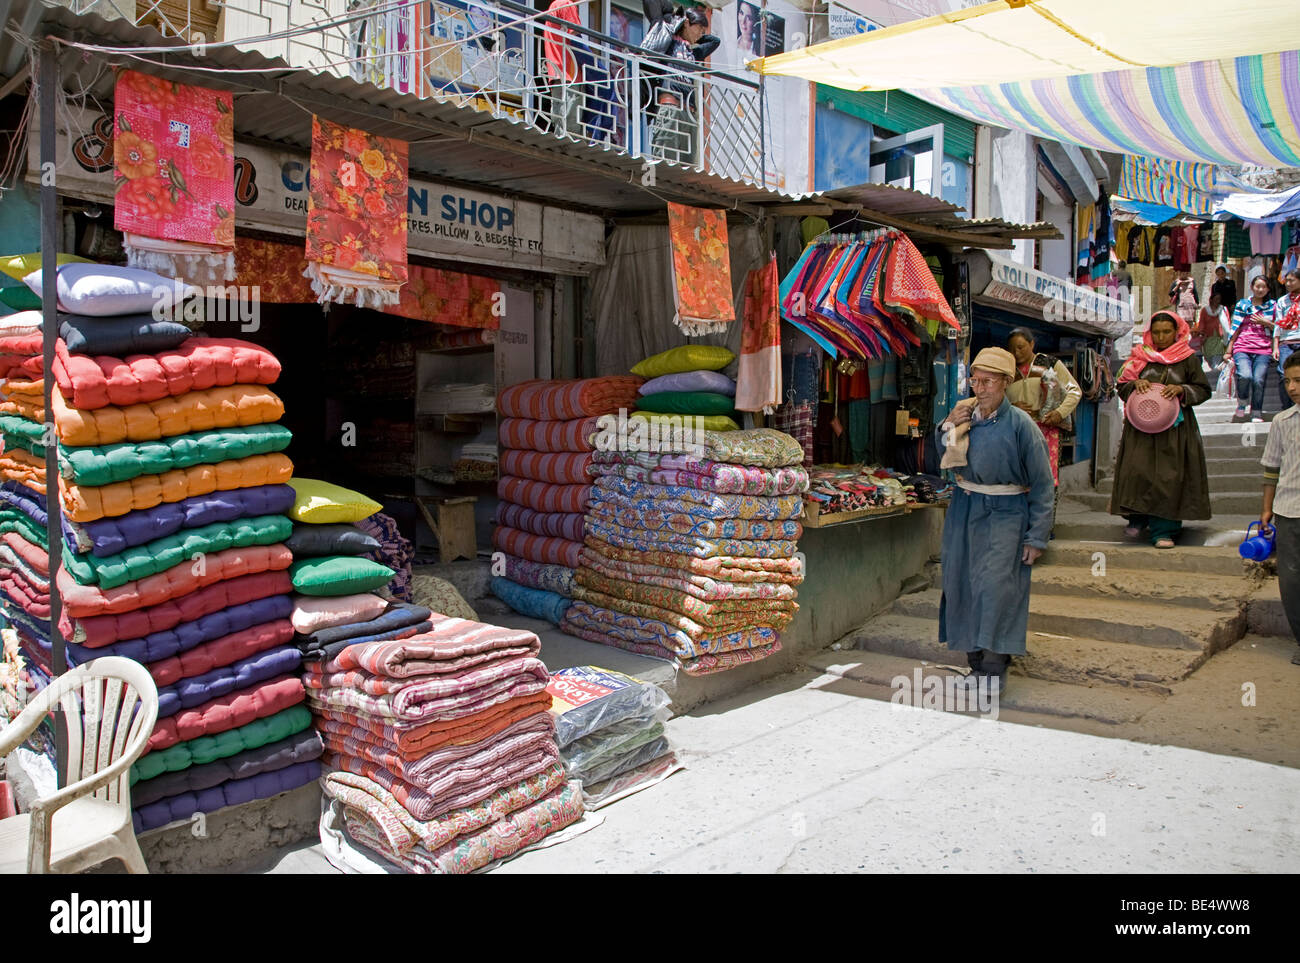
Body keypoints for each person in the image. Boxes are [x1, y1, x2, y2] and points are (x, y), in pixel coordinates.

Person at [936, 347, 1054, 695]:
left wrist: (1036, 537)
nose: (980, 388)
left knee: (996, 588)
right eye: (975, 380)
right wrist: (948, 425)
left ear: (1006, 383)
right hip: (965, 508)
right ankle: (975, 664)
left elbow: (1044, 485)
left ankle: (993, 668)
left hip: (1005, 514)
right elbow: (937, 457)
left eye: (988, 381)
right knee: (962, 584)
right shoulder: (964, 416)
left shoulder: (1022, 426)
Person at [1110, 311, 1212, 549]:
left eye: (1167, 332)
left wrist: (1182, 389)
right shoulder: (1140, 357)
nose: (1161, 337)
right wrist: (1135, 384)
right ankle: (1138, 518)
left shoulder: (1188, 359)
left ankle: (1164, 530)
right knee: (1138, 471)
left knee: (1169, 477)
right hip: (1141, 429)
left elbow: (1203, 390)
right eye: (1156, 332)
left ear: (1177, 332)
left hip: (1175, 431)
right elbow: (1122, 385)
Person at [1005, 327, 1082, 530]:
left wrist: (1060, 412)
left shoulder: (1049, 364)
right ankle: (1021, 526)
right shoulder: (1007, 368)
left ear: (1032, 344)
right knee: (1018, 477)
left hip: (1045, 429)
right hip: (1014, 429)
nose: (1016, 353)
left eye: (1021, 347)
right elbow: (994, 396)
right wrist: (1010, 407)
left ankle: (1045, 528)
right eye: (1012, 348)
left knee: (1046, 478)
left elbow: (1074, 391)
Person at [1260, 352, 1300, 665]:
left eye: (1298, 380)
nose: (1292, 387)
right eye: (1287, 381)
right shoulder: (1281, 422)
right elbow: (1271, 468)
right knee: (1290, 581)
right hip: (1289, 510)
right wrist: (1266, 509)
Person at [647, 9, 719, 165]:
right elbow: (657, 17)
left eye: (703, 32)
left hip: (689, 113)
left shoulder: (692, 52)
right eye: (699, 29)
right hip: (671, 106)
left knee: (688, 168)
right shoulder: (669, 41)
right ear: (687, 23)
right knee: (664, 162)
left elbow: (715, 42)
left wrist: (696, 35)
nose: (700, 35)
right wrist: (680, 22)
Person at [1227, 275, 1277, 422]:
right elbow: (1235, 327)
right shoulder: (1242, 305)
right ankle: (1242, 401)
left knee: (1258, 380)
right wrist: (1229, 350)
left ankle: (1256, 412)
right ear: (1252, 287)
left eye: (1263, 287)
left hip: (1263, 349)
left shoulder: (1272, 306)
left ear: (1268, 289)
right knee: (1245, 375)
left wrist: (1265, 322)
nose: (1260, 289)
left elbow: (1279, 328)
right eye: (1257, 286)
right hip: (1242, 347)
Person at [542, 0, 584, 138]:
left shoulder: (554, 6)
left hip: (558, 75)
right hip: (569, 75)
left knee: (560, 124)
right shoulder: (566, 3)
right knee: (571, 129)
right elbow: (577, 39)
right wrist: (596, 66)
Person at [1273, 269, 1300, 410]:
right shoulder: (1282, 301)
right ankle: (1288, 407)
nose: (1287, 283)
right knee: (1284, 374)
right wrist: (1275, 346)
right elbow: (1278, 323)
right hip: (1286, 343)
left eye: (1291, 280)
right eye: (1286, 280)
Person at [1196, 294, 1228, 384]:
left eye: (1219, 299)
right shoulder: (1205, 310)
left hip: (1219, 338)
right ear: (1211, 300)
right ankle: (1215, 371)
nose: (1217, 301)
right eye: (1216, 299)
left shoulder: (1223, 309)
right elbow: (1202, 322)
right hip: (1208, 338)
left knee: (1217, 357)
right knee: (1209, 357)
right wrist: (1201, 333)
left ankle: (1216, 377)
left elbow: (1227, 322)